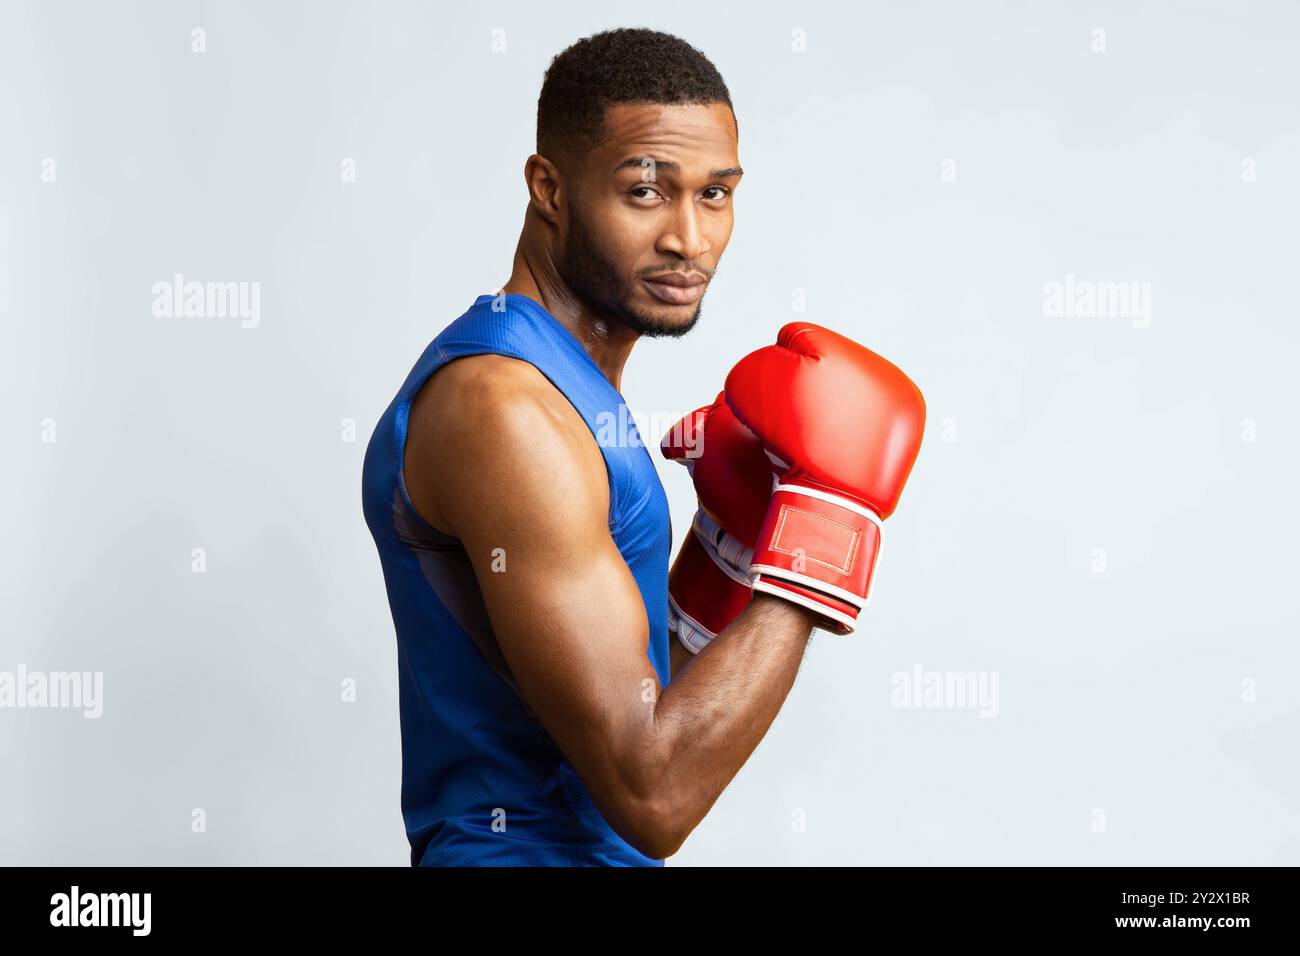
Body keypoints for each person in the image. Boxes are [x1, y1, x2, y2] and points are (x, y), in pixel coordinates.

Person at [362, 28, 924, 866]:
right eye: (647, 193)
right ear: (548, 188)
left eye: (716, 195)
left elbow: (628, 688)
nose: (689, 239)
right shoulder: (506, 413)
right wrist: (825, 528)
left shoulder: (562, 386)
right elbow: (650, 792)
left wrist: (726, 553)